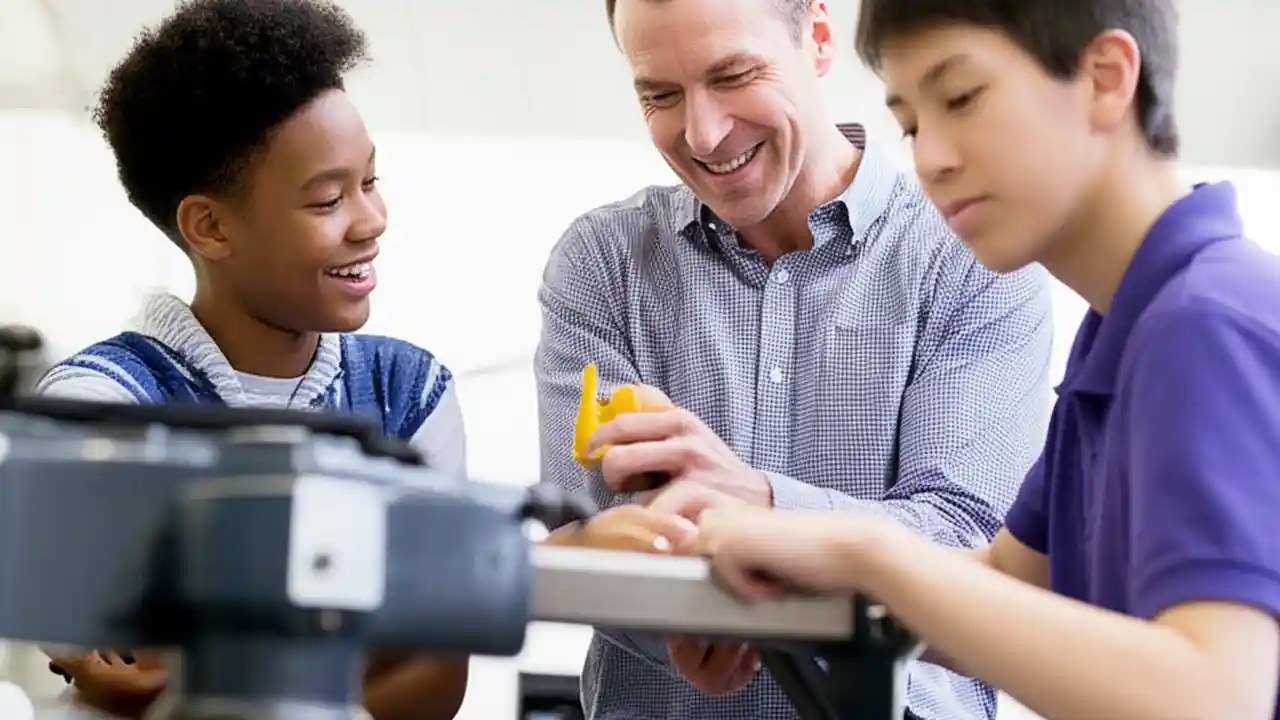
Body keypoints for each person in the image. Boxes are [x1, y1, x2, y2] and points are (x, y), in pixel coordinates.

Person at [36, 1, 694, 719]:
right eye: (327, 199)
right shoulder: (99, 405)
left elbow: (437, 679)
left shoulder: (411, 393)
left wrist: (222, 657)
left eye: (369, 182)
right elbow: (116, 664)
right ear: (210, 225)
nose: (372, 221)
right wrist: (377, 623)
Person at [691, 1, 1280, 719]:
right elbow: (1009, 580)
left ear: (1105, 77)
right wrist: (770, 580)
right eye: (911, 125)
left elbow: (1214, 697)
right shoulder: (1120, 331)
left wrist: (869, 554)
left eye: (962, 99)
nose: (931, 159)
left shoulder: (1205, 322)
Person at [535, 0, 1055, 717]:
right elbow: (575, 536)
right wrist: (674, 617)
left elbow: (968, 542)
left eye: (734, 74)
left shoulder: (973, 259)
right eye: (660, 94)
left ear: (816, 36)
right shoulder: (603, 264)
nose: (702, 133)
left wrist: (760, 504)